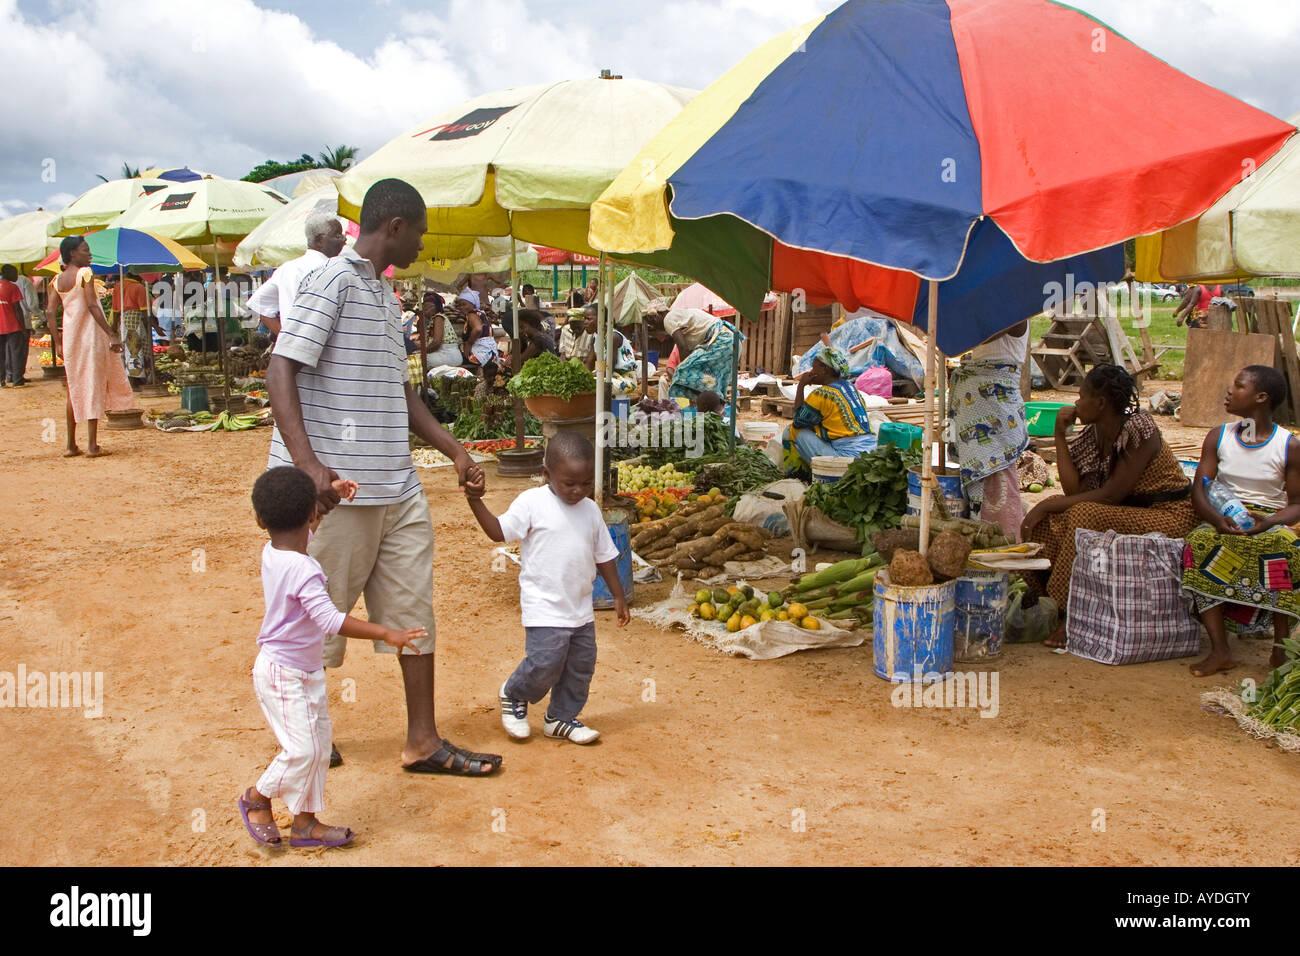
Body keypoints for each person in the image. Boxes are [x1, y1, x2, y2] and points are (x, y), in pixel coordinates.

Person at [266, 177, 501, 776]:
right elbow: (280, 370)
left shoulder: (384, 297)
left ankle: (422, 742)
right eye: (419, 232)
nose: (423, 244)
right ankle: (306, 737)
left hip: (395, 484)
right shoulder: (331, 281)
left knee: (412, 613)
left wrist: (455, 450)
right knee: (314, 622)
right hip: (337, 492)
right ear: (394, 227)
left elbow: (400, 393)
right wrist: (309, 465)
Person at [238, 466, 425, 849]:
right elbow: (329, 620)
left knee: (320, 747)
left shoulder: (273, 550)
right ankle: (257, 796)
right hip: (284, 674)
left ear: (260, 519)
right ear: (311, 515)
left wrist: (329, 495)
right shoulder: (305, 570)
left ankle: (305, 823)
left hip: (296, 669)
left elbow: (303, 526)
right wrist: (387, 631)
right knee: (304, 750)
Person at [464, 432, 629, 744]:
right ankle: (514, 694)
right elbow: (499, 532)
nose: (578, 490)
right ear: (547, 474)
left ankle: (561, 718)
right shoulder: (532, 503)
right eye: (569, 483)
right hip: (544, 606)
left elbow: (605, 555)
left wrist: (618, 594)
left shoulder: (591, 510)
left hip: (581, 609)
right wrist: (475, 500)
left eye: (585, 482)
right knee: (545, 663)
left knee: (580, 668)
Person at [1022, 364, 1198, 646]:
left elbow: (1110, 496)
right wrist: (1059, 435)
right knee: (1058, 508)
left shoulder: (1140, 428)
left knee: (1081, 513)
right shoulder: (1093, 434)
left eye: (1081, 396)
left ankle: (1070, 614)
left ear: (1101, 403)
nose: (1076, 403)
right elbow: (1074, 489)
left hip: (1169, 515)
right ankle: (1043, 598)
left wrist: (1043, 506)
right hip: (1127, 513)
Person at [1182, 366, 1300, 677]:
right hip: (1224, 515)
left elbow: (1297, 504)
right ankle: (1221, 650)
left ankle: (1280, 649)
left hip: (1267, 520)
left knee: (1287, 548)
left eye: (1239, 386)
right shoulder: (1218, 437)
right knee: (1199, 542)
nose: (1229, 391)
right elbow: (1199, 490)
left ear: (1261, 398)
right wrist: (1217, 520)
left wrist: (1270, 521)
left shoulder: (1288, 444)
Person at [47, 237, 135, 457]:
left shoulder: (57, 280)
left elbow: (49, 312)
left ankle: (70, 445)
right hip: (90, 337)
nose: (90, 254)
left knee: (73, 388)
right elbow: (92, 305)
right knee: (93, 384)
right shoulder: (84, 274)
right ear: (72, 253)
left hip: (70, 339)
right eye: (85, 250)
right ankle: (92, 445)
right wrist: (112, 334)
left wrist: (57, 341)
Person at [949, 321, 1031, 540]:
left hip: (998, 415)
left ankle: (1004, 544)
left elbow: (978, 335)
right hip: (981, 416)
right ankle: (984, 538)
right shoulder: (995, 313)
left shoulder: (1014, 315)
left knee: (998, 487)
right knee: (979, 486)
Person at [780, 346, 877, 474]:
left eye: (814, 367)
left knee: (792, 431)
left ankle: (797, 474)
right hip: (869, 455)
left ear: (824, 369)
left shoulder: (823, 394)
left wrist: (801, 386)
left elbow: (798, 421)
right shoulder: (850, 388)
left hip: (845, 460)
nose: (811, 371)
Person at [247, 214, 347, 336]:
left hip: (295, 350)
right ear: (320, 240)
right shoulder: (333, 269)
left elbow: (260, 305)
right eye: (338, 235)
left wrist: (287, 338)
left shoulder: (287, 268)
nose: (344, 239)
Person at [660, 307, 742, 403]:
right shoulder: (695, 329)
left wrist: (686, 377)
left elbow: (683, 349)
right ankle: (717, 411)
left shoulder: (668, 318)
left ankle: (707, 409)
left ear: (656, 317)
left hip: (722, 341)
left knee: (685, 372)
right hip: (733, 341)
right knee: (713, 386)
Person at [108, 273, 163, 380]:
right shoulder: (139, 288)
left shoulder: (118, 287)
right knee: (138, 350)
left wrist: (114, 328)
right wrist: (155, 327)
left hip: (123, 321)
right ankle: (138, 378)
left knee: (127, 350)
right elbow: (144, 313)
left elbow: (115, 311)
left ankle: (129, 378)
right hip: (136, 321)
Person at [578, 302, 638, 395]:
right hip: (606, 376)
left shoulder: (613, 337)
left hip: (625, 380)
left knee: (593, 385)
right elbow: (589, 364)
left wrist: (588, 380)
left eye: (589, 319)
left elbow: (609, 369)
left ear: (600, 319)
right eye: (584, 319)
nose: (585, 322)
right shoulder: (595, 337)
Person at [457, 289, 500, 385]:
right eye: (459, 305)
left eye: (464, 304)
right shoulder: (481, 314)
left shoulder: (471, 314)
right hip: (489, 350)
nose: (461, 307)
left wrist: (469, 343)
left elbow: (477, 329)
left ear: (473, 304)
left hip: (480, 350)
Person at [0, 265, 27, 387]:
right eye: (15, 273)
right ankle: (17, 380)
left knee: (1, 354)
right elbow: (17, 309)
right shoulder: (13, 287)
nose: (17, 276)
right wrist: (23, 327)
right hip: (12, 325)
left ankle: (1, 380)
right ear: (8, 273)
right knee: (16, 352)